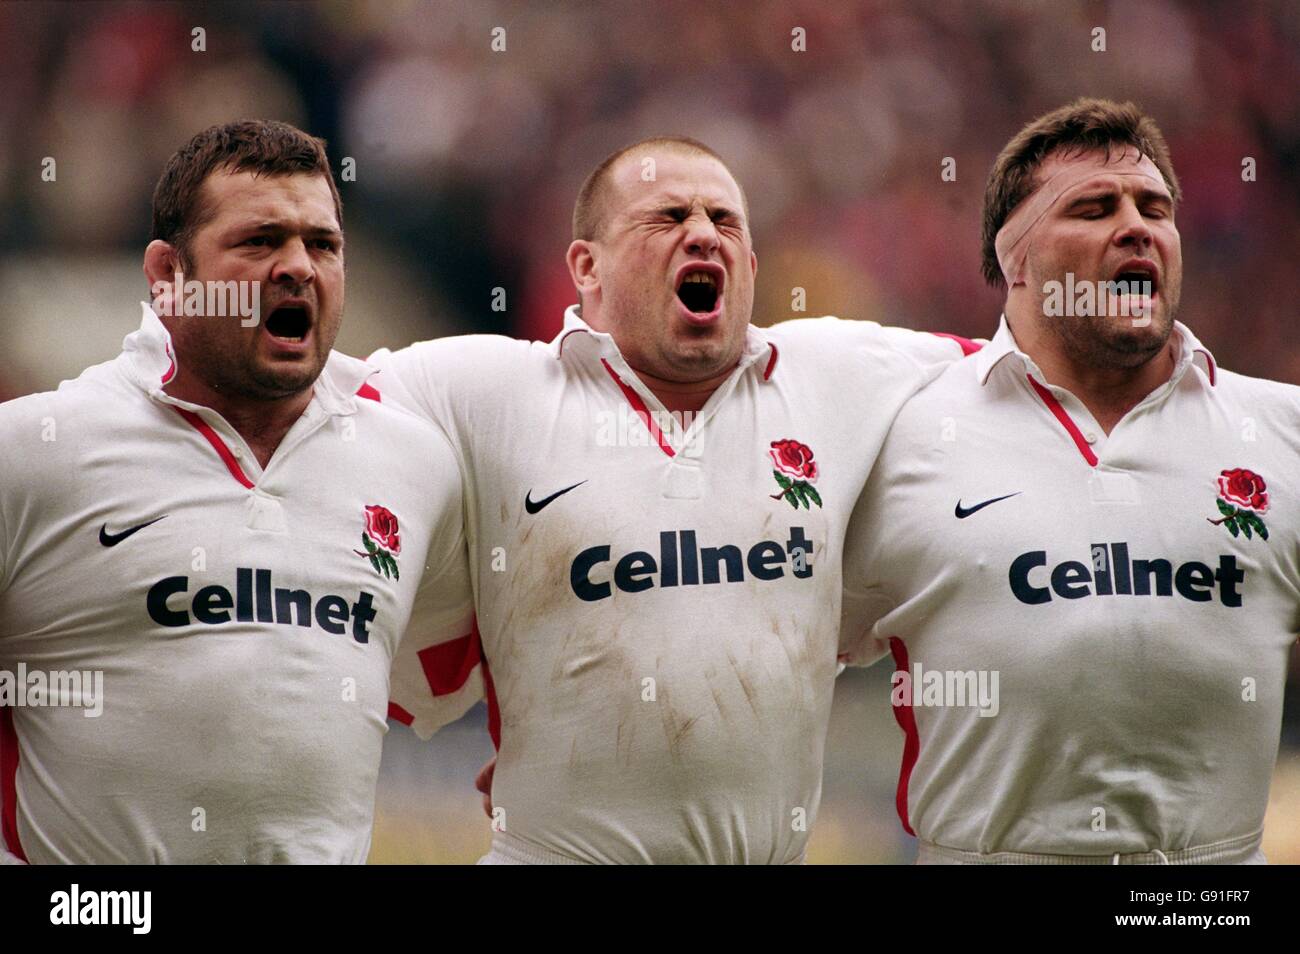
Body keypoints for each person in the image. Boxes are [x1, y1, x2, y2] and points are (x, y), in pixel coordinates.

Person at [370, 136, 976, 863]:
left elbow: (1024, 370)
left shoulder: (844, 373)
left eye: (725, 221)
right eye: (667, 217)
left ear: (749, 268)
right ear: (586, 268)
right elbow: (305, 400)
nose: (702, 233)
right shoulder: (479, 390)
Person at [0, 120, 476, 864]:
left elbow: (430, 676)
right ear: (167, 273)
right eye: (260, 242)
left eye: (323, 244)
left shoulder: (413, 462)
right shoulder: (35, 450)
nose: (298, 268)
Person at [840, 98, 1299, 864]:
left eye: (1156, 207)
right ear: (1014, 257)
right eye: (1094, 207)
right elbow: (774, 649)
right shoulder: (900, 439)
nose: (1137, 226)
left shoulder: (1282, 433)